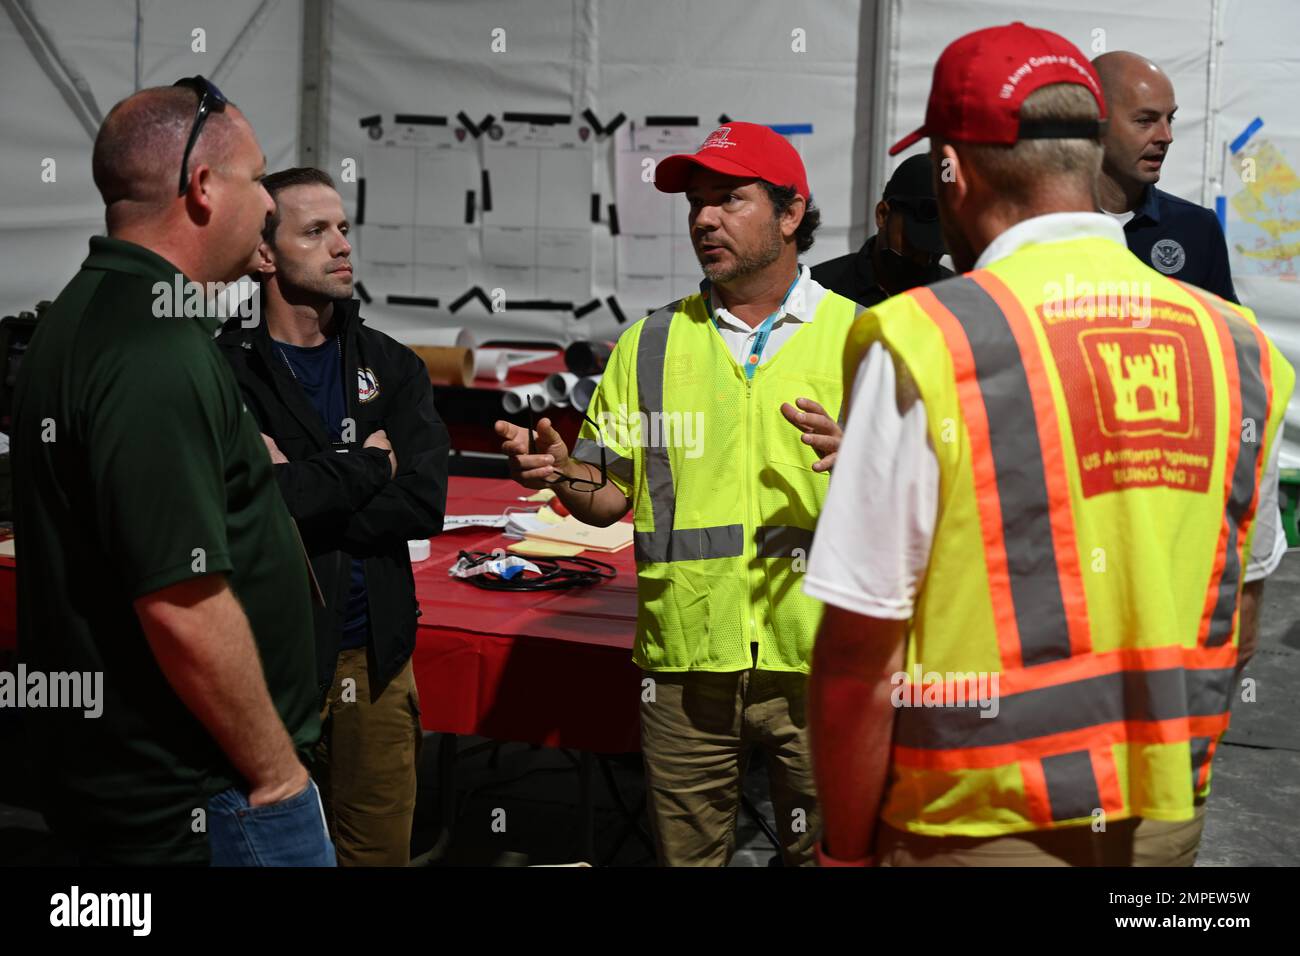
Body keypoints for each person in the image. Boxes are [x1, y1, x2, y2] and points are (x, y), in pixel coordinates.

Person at [805, 23, 1292, 867]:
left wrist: (845, 854)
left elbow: (857, 659)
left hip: (974, 821)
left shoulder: (926, 339)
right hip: (1165, 819)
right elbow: (1242, 610)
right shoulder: (1240, 346)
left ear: (951, 169)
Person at [495, 122, 859, 866]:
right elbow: (608, 497)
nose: (704, 219)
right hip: (687, 667)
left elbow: (935, 504)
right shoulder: (650, 344)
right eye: (697, 203)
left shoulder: (864, 338)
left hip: (823, 663)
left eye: (730, 199)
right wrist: (560, 470)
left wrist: (865, 459)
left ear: (791, 215)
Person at [13, 78, 332, 865]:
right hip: (208, 803)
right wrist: (277, 775)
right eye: (258, 179)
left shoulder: (92, 314)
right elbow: (182, 601)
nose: (267, 205)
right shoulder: (151, 350)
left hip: (165, 793)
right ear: (202, 188)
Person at [217, 167, 449, 866]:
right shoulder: (223, 370)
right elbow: (247, 509)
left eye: (344, 228)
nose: (341, 245)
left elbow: (423, 504)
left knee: (376, 855)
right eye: (316, 231)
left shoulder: (394, 365)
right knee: (270, 853)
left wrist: (300, 489)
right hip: (267, 662)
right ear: (265, 256)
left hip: (376, 659)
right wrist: (368, 467)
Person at [1093, 51, 1238, 301]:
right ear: (1095, 123)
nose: (1166, 136)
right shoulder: (1044, 225)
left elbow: (1227, 334)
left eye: (1170, 119)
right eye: (1145, 120)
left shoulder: (1198, 229)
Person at [812, 154, 952, 305]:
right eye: (914, 245)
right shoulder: (820, 291)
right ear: (882, 214)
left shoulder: (957, 299)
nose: (923, 261)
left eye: (935, 253)